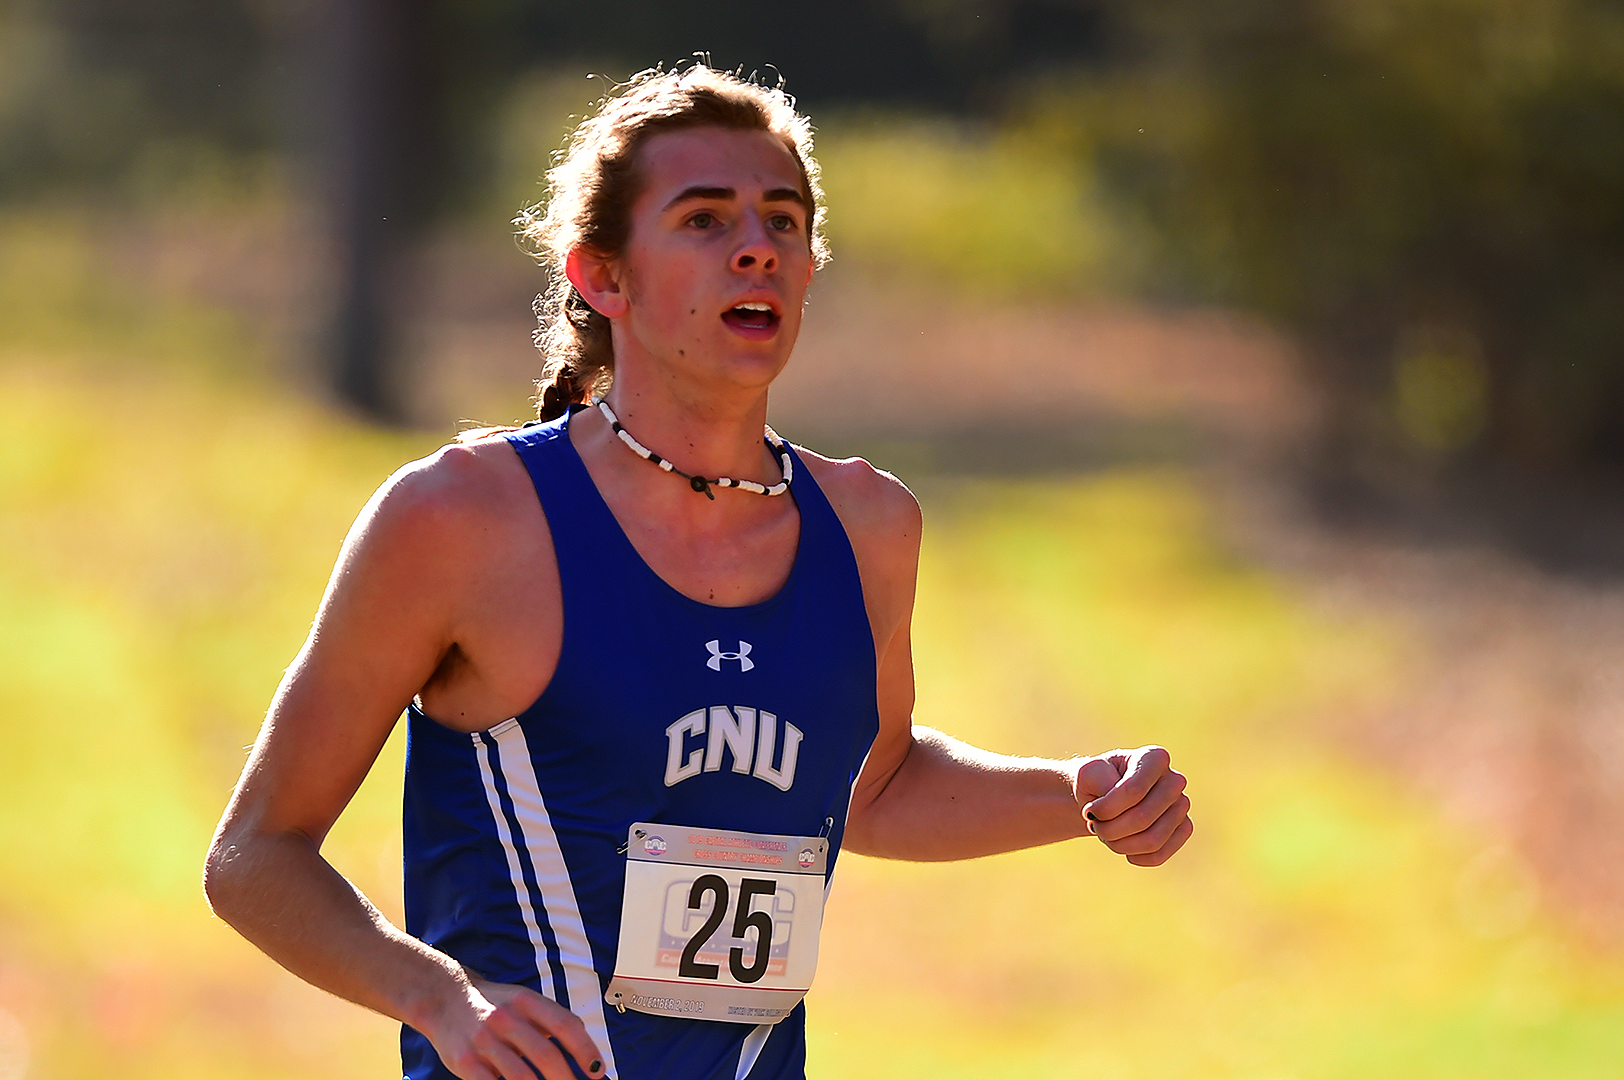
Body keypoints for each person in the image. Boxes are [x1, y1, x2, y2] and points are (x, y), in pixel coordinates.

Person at [204, 65, 1193, 1080]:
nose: (757, 247)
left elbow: (875, 788)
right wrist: (441, 997)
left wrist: (1077, 794)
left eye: (783, 221)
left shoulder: (869, 524)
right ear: (604, 278)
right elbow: (254, 855)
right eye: (705, 220)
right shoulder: (462, 518)